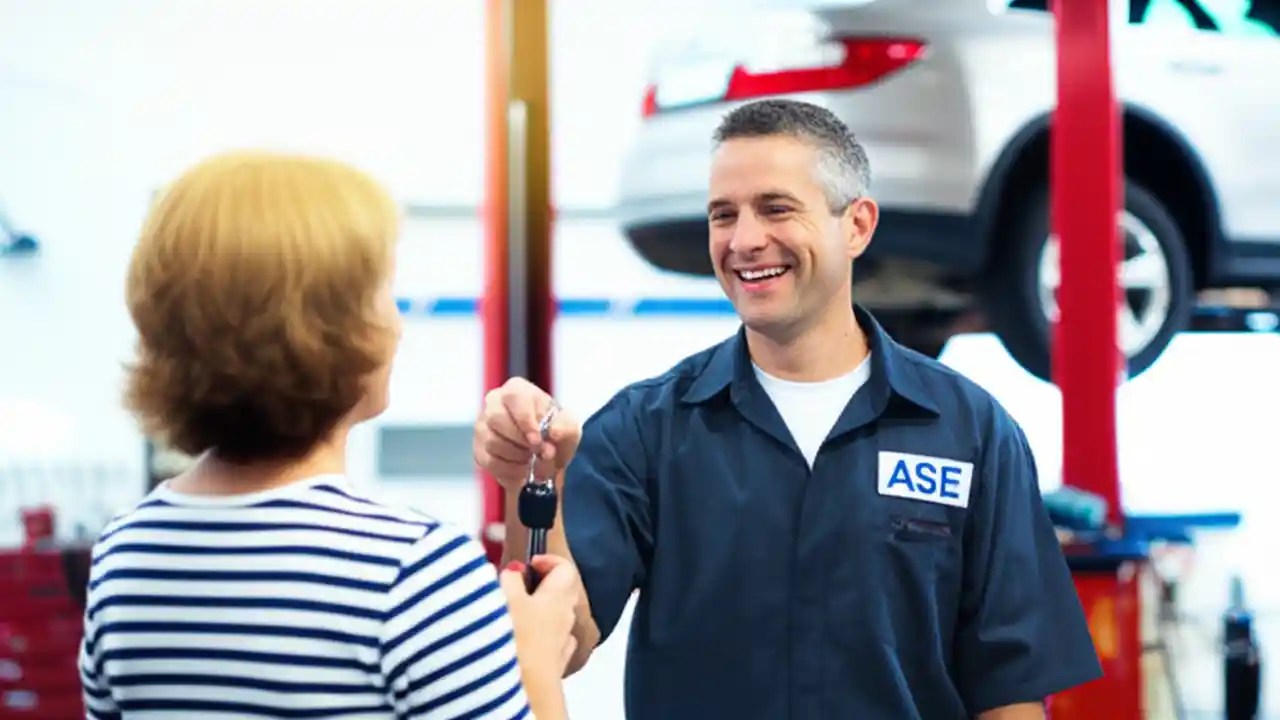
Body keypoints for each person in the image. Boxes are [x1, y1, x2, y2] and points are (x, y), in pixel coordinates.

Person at [474, 99, 1104, 719]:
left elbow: (1010, 689)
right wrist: (535, 482)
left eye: (776, 209)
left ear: (856, 225)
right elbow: (560, 640)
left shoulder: (970, 433)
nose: (745, 241)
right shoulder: (648, 430)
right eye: (724, 215)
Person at [79, 150, 578, 720]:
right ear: (327, 330)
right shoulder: (415, 571)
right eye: (383, 292)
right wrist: (533, 665)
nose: (397, 320)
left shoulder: (124, 556)